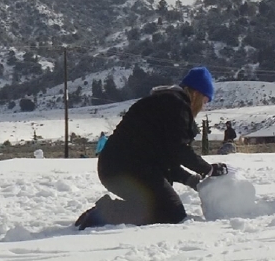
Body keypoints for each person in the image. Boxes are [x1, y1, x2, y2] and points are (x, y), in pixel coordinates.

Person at [75, 67, 229, 229]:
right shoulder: (176, 106)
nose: (203, 107)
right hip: (125, 169)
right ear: (196, 94)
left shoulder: (167, 103)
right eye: (204, 101)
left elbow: (166, 156)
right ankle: (104, 214)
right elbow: (178, 149)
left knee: (165, 208)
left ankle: (105, 212)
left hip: (119, 166)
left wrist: (191, 180)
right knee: (170, 211)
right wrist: (207, 169)